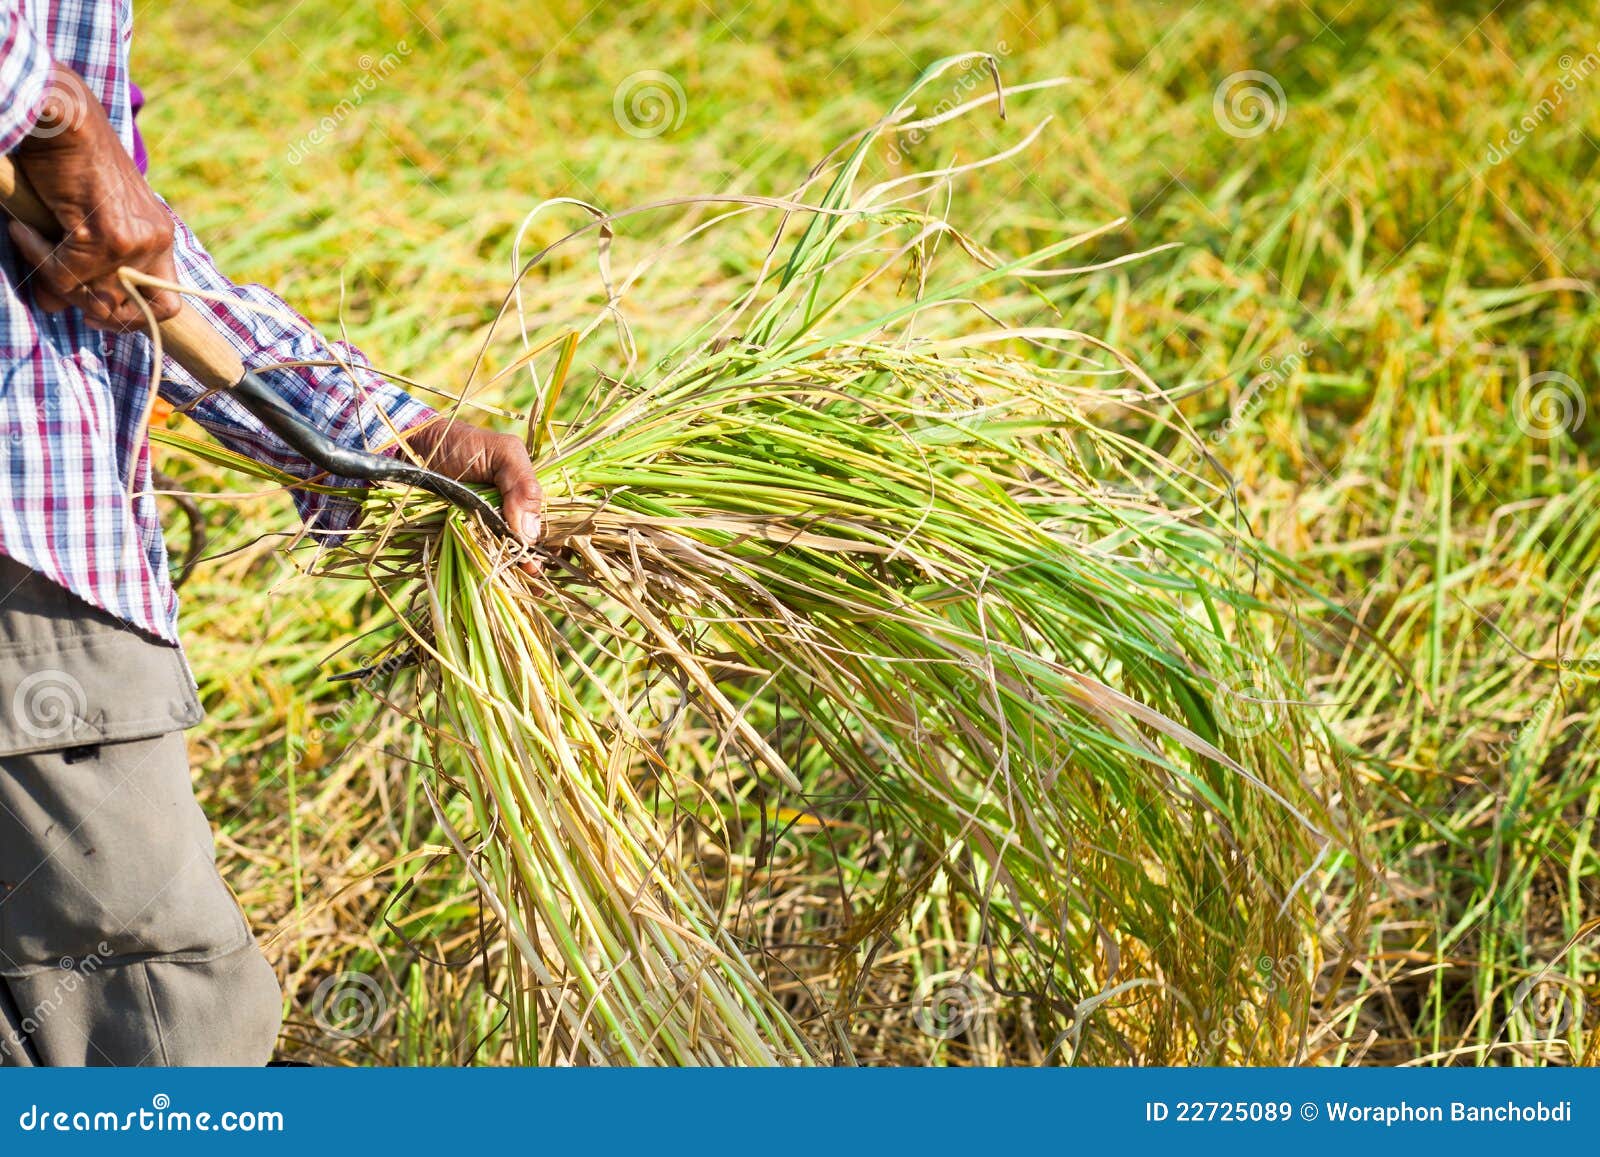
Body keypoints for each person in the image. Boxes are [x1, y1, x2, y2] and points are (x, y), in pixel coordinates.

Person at [0, 3, 543, 1065]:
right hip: (23, 534)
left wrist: (384, 434)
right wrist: (60, 121)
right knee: (154, 1026)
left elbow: (121, 248)